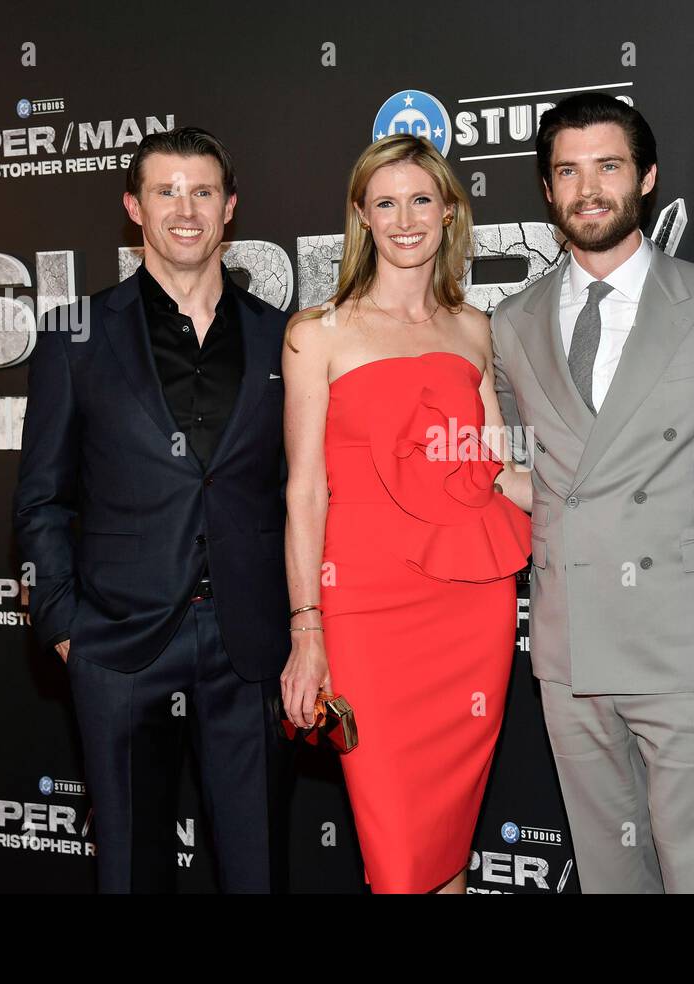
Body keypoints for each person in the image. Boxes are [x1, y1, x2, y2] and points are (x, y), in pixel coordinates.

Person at [13, 127, 292, 892]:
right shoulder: (76, 334)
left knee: (257, 870)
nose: (185, 209)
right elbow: (41, 498)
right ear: (133, 207)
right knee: (131, 873)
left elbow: (301, 490)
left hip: (251, 646)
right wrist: (65, 625)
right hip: (119, 641)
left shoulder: (283, 338)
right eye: (165, 191)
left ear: (229, 207)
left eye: (202, 191)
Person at [490, 93, 694, 893]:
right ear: (546, 189)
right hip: (571, 649)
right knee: (608, 875)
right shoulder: (511, 319)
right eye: (567, 171)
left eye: (608, 166)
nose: (587, 187)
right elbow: (521, 460)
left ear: (646, 178)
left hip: (687, 643)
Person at [280, 133, 532, 894]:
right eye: (384, 203)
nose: (404, 218)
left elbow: (498, 469)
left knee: (445, 839)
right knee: (395, 853)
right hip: (365, 608)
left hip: (468, 607)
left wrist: (606, 500)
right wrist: (306, 627)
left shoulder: (474, 330)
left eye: (421, 199)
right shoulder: (316, 332)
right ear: (361, 216)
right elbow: (303, 490)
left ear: (450, 212)